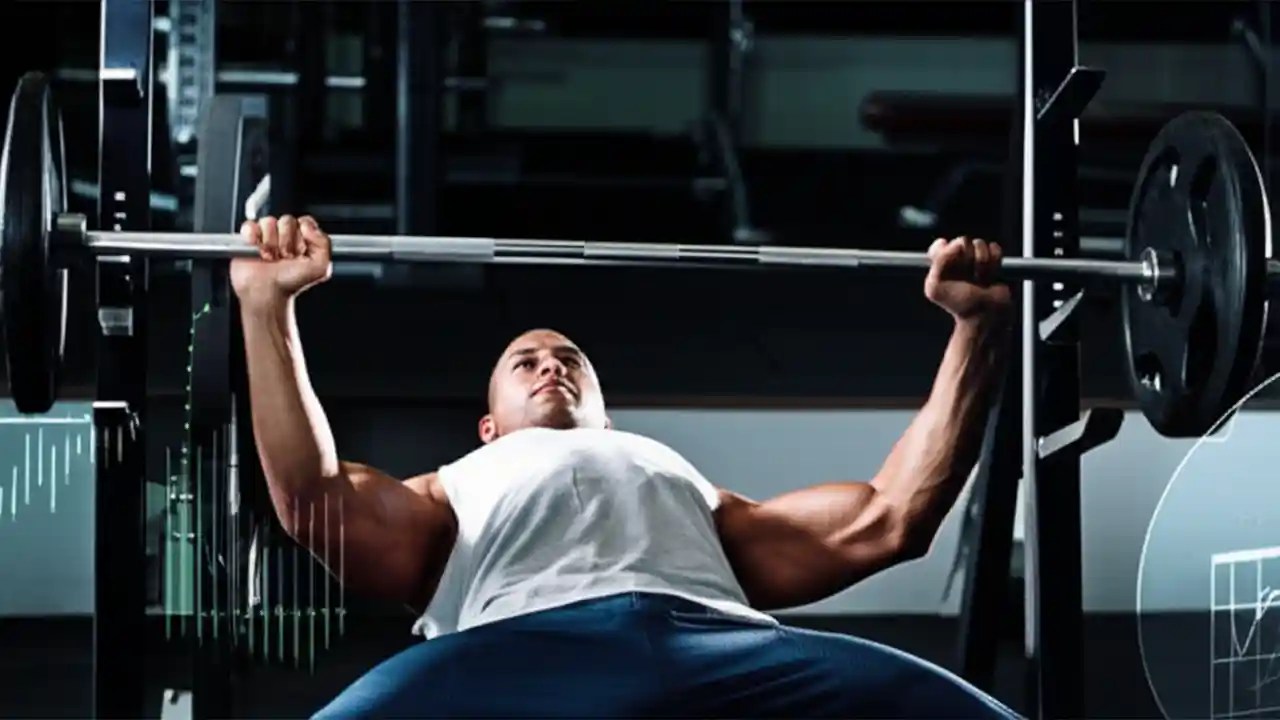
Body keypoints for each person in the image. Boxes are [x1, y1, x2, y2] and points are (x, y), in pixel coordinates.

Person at [232, 214, 1021, 719]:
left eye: (568, 357)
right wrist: (268, 306)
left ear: (604, 413)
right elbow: (313, 499)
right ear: (486, 425)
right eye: (525, 361)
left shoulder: (678, 481)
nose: (550, 366)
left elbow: (891, 518)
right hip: (520, 658)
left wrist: (976, 330)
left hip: (722, 649)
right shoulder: (453, 485)